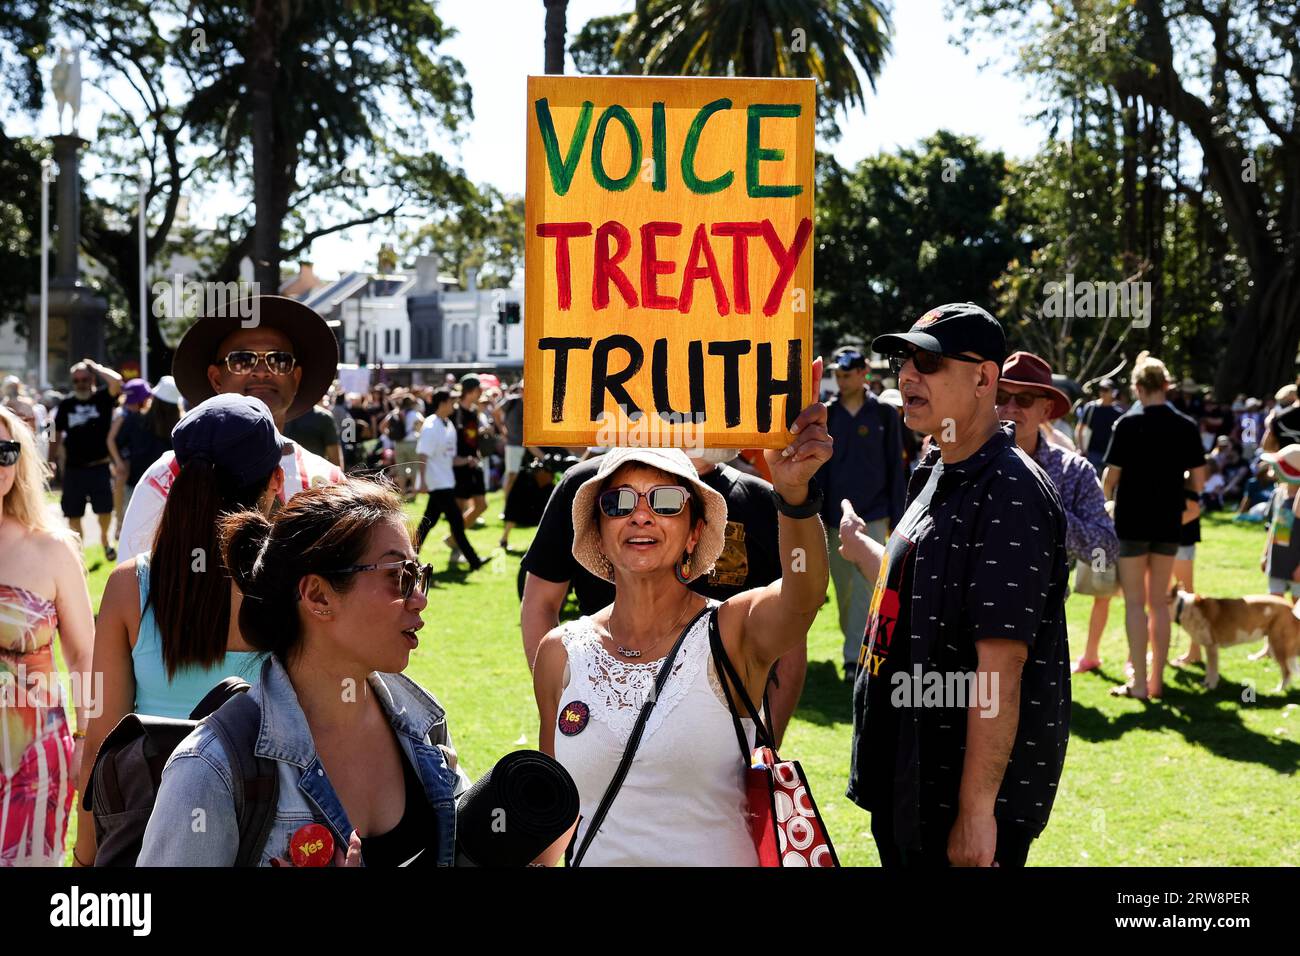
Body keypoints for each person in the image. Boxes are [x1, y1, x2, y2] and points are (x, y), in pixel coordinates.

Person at [533, 399, 831, 866]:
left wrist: (794, 495)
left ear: (695, 533)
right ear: (599, 527)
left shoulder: (731, 632)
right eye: (620, 502)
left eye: (667, 501)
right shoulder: (561, 653)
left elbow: (804, 593)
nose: (642, 515)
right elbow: (553, 817)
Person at [839, 303, 1070, 867]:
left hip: (951, 799)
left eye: (930, 361)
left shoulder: (1009, 491)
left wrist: (975, 813)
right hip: (909, 777)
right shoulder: (939, 463)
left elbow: (1002, 664)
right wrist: (866, 550)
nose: (907, 375)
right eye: (904, 359)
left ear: (984, 379)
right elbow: (924, 594)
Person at [137, 478, 469, 867]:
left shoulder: (423, 724)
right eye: (398, 575)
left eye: (419, 573)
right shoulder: (210, 770)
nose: (420, 598)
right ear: (318, 596)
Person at [73, 395, 285, 866]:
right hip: (273, 834)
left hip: (149, 836)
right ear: (276, 480)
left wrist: (85, 861)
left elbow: (99, 747)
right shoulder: (298, 589)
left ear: (177, 477)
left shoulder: (128, 585)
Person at [116, 295, 345, 563]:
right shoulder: (169, 478)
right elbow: (134, 589)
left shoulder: (326, 481)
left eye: (279, 360)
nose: (262, 371)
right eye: (242, 360)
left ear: (296, 378)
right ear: (216, 379)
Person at [0, 405, 95, 866]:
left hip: (36, 754)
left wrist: (84, 739)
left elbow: (84, 657)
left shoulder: (52, 549)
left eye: (6, 452)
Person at [990, 353, 1120, 676]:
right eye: (1002, 397)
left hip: (1041, 627)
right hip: (968, 622)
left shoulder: (1073, 471)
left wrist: (1051, 514)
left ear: (1046, 409)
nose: (1010, 408)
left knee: (1034, 726)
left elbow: (1106, 548)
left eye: (1024, 399)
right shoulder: (962, 462)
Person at [1101, 352, 1207, 700]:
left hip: (1131, 521)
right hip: (1168, 521)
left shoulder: (1127, 426)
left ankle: (1140, 685)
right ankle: (1157, 683)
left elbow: (1110, 477)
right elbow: (1200, 482)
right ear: (1166, 385)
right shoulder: (1186, 426)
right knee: (1159, 603)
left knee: (1134, 603)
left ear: (1136, 388)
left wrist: (1106, 502)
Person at [816, 347, 905, 681]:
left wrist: (899, 518)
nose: (841, 379)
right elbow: (819, 470)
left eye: (847, 373)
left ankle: (856, 658)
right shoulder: (828, 414)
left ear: (863, 372)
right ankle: (856, 644)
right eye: (837, 374)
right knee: (845, 591)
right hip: (834, 517)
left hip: (876, 513)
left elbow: (896, 467)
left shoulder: (883, 413)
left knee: (868, 586)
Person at [52, 358, 123, 559]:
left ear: (91, 379)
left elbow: (117, 381)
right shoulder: (65, 404)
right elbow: (52, 430)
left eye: (84, 378)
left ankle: (105, 540)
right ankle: (79, 552)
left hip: (99, 467)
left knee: (105, 510)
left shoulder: (103, 398)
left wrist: (96, 367)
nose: (81, 383)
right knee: (73, 514)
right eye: (76, 380)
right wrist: (50, 458)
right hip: (74, 469)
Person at [413, 388, 487, 571]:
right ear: (443, 403)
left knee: (428, 522)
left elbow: (451, 457)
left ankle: (409, 556)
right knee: (456, 522)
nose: (454, 405)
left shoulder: (448, 425)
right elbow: (422, 455)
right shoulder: (431, 425)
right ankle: (474, 561)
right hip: (436, 482)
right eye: (451, 402)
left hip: (445, 481)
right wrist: (421, 481)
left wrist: (467, 461)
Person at [106, 378, 151, 545]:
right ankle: (118, 524)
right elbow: (110, 440)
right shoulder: (122, 414)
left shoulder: (139, 414)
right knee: (120, 482)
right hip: (122, 457)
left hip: (133, 456)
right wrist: (117, 462)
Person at [451, 375, 488, 537]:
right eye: (479, 390)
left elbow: (471, 436)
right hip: (460, 465)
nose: (481, 393)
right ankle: (456, 546)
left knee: (481, 505)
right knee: (458, 509)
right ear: (471, 391)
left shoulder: (473, 412)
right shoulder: (455, 412)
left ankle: (454, 539)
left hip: (474, 463)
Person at [1075, 378, 1124, 472]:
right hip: (1091, 454)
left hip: (1109, 456)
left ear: (1112, 392)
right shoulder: (1091, 408)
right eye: (1101, 389)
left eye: (1106, 389)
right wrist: (1081, 448)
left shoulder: (1118, 413)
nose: (1103, 392)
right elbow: (1080, 428)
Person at [284, 398, 343, 467]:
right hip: (283, 474)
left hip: (312, 473)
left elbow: (335, 460)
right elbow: (335, 461)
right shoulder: (324, 418)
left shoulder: (323, 418)